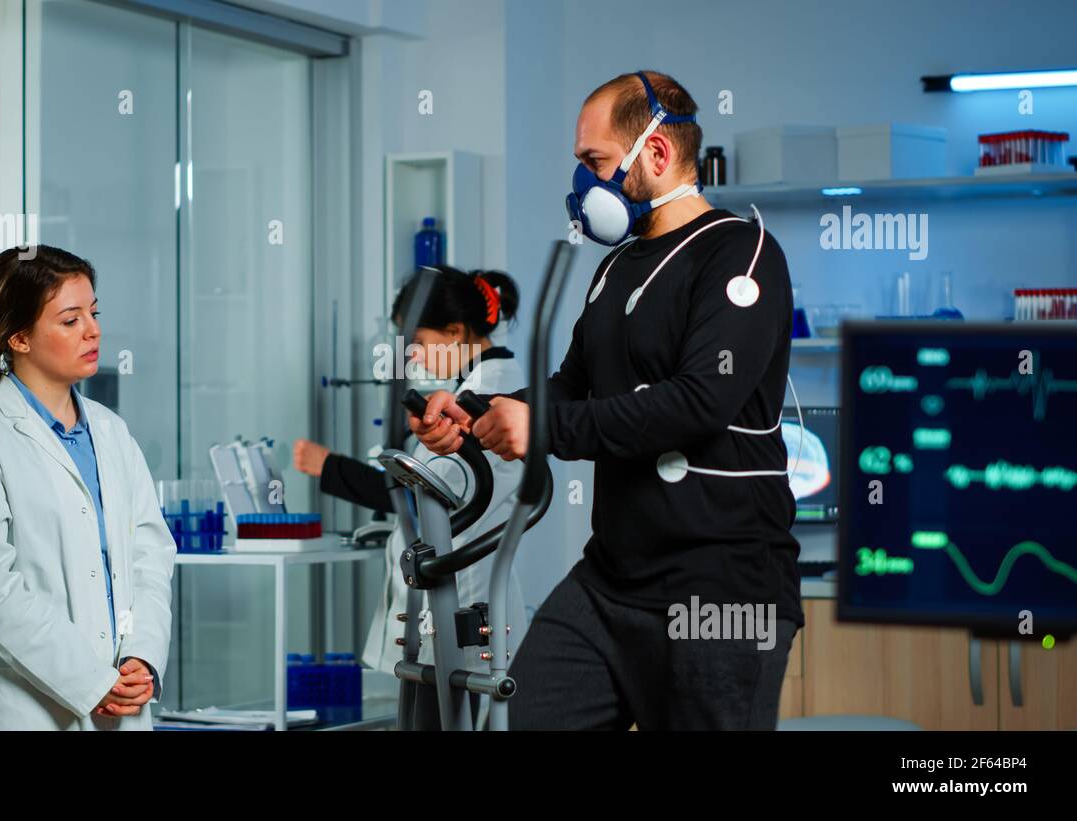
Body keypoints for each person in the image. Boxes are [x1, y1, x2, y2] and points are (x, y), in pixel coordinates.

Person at [410, 71, 804, 730]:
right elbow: (571, 384)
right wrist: (477, 414)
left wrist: (543, 429)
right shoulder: (616, 267)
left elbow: (697, 402)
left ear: (657, 153)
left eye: (595, 163)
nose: (583, 186)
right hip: (612, 579)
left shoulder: (740, 254)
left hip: (721, 584)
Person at [0, 245, 175, 730]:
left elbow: (151, 556)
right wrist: (89, 680)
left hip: (121, 703)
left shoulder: (111, 434)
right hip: (25, 711)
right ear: (19, 338)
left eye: (94, 312)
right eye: (70, 320)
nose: (93, 330)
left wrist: (142, 658)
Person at [293, 267, 527, 728]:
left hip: (465, 595)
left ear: (455, 331)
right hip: (445, 591)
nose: (412, 355)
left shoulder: (488, 391)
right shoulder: (468, 386)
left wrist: (331, 468)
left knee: (448, 716)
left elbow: (434, 487)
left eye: (418, 342)